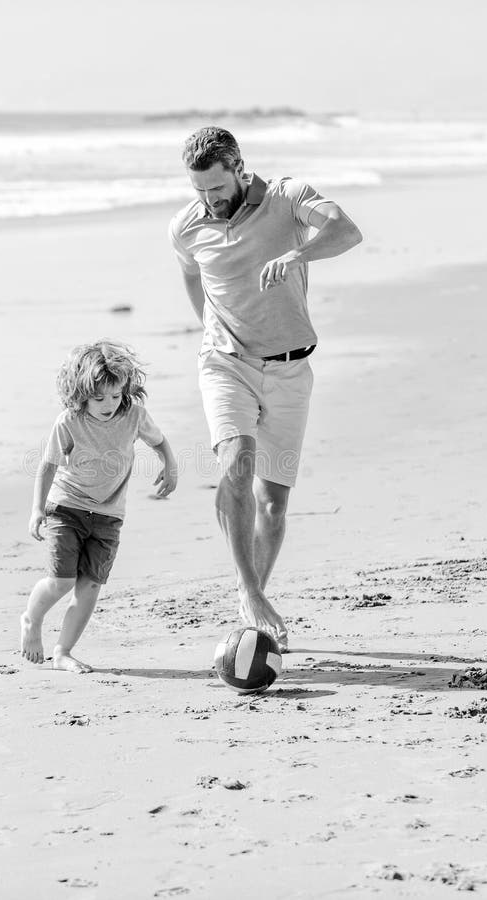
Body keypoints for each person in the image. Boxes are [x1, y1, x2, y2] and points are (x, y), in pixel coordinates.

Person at [169, 126, 362, 651]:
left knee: (273, 503)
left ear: (239, 167)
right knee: (236, 462)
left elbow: (346, 231)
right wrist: (211, 327)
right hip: (225, 363)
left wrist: (299, 255)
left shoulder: (287, 197)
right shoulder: (186, 226)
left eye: (216, 187)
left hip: (291, 369)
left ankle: (251, 597)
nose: (209, 200)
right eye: (199, 190)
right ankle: (250, 592)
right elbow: (191, 274)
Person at [20, 340, 177, 673]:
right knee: (61, 582)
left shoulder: (134, 415)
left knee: (90, 586)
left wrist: (170, 464)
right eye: (99, 398)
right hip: (66, 507)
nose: (109, 404)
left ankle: (63, 652)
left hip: (109, 516)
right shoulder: (69, 421)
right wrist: (37, 510)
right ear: (81, 394)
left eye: (116, 395)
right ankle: (32, 620)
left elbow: (159, 441)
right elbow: (47, 465)